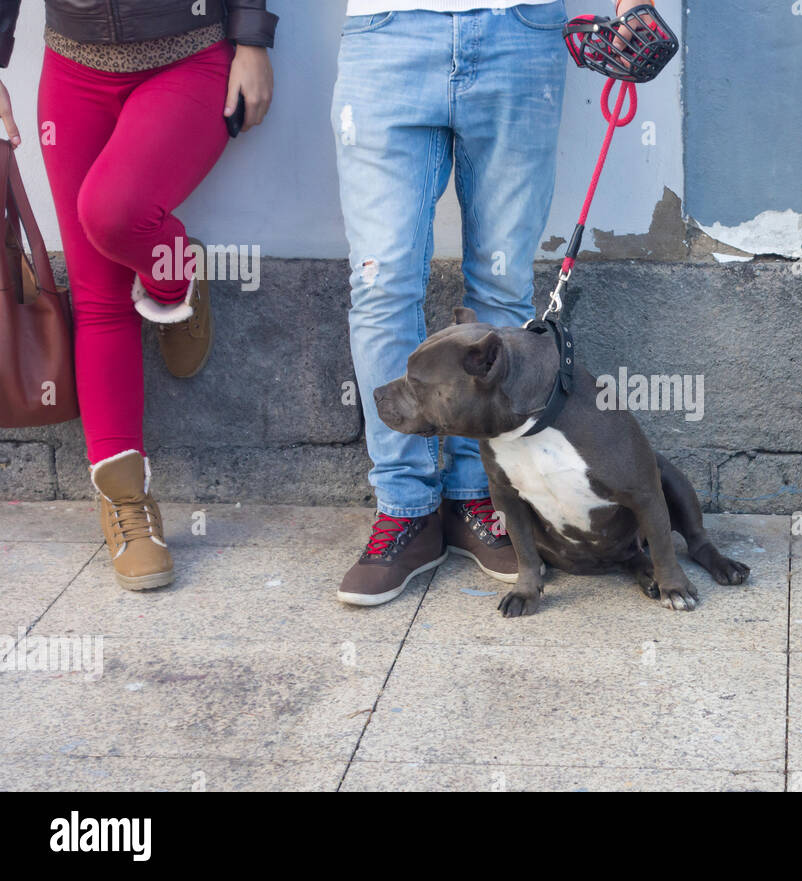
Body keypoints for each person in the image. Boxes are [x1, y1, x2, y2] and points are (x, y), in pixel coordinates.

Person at [331, 0, 643, 607]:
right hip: (384, 32)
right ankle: (407, 510)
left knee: (501, 290)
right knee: (381, 288)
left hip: (519, 31)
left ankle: (481, 496)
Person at [0, 0, 276, 590]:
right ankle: (127, 506)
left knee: (114, 212)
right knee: (96, 295)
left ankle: (173, 281)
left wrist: (253, 40)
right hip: (72, 69)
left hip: (190, 57)